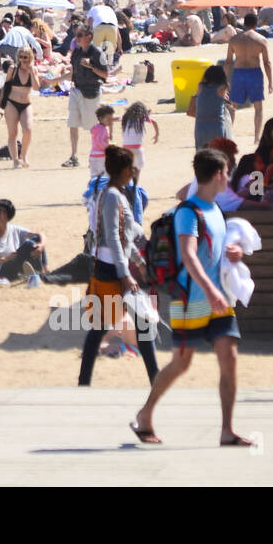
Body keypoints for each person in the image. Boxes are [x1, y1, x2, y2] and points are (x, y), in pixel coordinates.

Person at [131, 148, 251, 447]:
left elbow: (214, 253)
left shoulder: (216, 211)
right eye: (226, 172)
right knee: (181, 364)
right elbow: (188, 253)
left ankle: (227, 430)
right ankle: (145, 415)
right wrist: (210, 290)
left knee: (230, 359)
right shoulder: (189, 211)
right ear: (218, 175)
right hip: (192, 299)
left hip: (219, 300)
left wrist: (234, 253)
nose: (228, 178)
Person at [80, 145, 158, 386]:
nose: (134, 171)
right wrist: (126, 274)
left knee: (106, 326)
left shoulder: (116, 194)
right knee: (132, 323)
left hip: (113, 266)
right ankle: (155, 377)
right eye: (131, 167)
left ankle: (85, 381)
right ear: (124, 170)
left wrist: (139, 262)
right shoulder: (113, 196)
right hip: (112, 269)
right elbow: (113, 236)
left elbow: (123, 237)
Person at [64, 26, 108, 168]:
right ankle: (73, 156)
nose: (77, 38)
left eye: (80, 35)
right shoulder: (76, 52)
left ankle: (98, 155)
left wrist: (91, 67)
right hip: (76, 90)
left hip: (91, 92)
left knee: (94, 127)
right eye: (76, 35)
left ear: (89, 36)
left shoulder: (97, 52)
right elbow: (73, 72)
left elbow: (106, 74)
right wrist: (55, 80)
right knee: (73, 123)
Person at [224, 13, 272, 144]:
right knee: (258, 107)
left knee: (233, 106)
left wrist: (224, 79)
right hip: (254, 73)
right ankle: (256, 138)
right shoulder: (261, 39)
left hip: (239, 72)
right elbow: (267, 62)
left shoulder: (234, 40)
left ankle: (229, 136)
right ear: (256, 24)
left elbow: (228, 61)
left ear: (244, 24)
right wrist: (270, 81)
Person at [0, 198, 46, 283]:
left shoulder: (14, 229)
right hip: (0, 274)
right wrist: (3, 259)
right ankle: (39, 275)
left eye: (2, 211)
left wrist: (42, 245)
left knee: (36, 240)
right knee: (30, 244)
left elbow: (40, 234)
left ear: (8, 214)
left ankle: (42, 270)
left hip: (15, 266)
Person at [0, 47, 38, 169]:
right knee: (12, 133)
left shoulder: (33, 70)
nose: (23, 60)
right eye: (21, 57)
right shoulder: (13, 69)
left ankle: (24, 155)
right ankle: (15, 160)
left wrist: (32, 72)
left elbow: (37, 88)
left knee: (28, 130)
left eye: (25, 57)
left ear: (30, 58)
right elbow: (5, 88)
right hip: (12, 103)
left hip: (26, 103)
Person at [188, 64, 233, 150]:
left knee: (201, 155)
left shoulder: (200, 86)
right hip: (217, 124)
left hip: (201, 125)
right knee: (219, 154)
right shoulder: (222, 88)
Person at [120, 101, 159, 172]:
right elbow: (154, 122)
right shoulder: (141, 119)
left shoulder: (125, 118)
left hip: (125, 149)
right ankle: (135, 182)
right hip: (137, 148)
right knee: (137, 171)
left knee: (127, 171)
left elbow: (113, 119)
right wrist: (157, 135)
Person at [89, 105, 116, 178]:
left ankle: (94, 188)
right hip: (100, 156)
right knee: (104, 177)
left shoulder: (96, 127)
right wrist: (108, 147)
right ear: (100, 119)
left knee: (94, 177)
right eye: (108, 119)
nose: (110, 121)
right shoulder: (103, 129)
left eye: (111, 119)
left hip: (93, 155)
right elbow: (100, 141)